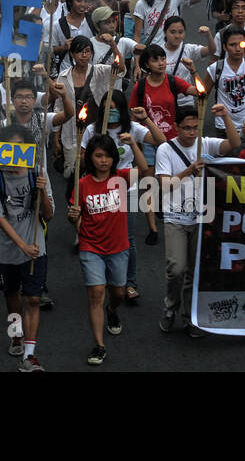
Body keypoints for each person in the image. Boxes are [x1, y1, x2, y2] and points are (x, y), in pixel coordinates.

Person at [67, 134, 152, 365]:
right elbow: (75, 216)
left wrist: (133, 144)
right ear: (90, 158)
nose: (103, 161)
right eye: (98, 156)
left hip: (118, 247)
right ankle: (99, 345)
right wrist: (72, 216)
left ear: (114, 158)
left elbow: (144, 170)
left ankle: (112, 311)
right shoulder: (81, 185)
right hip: (90, 246)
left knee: (118, 293)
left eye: (107, 156)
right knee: (96, 294)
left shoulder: (122, 177)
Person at [155, 104, 240, 335]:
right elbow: (163, 185)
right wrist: (188, 171)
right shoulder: (165, 150)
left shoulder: (206, 143)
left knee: (194, 271)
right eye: (186, 128)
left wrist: (226, 117)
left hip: (201, 219)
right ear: (176, 127)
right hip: (175, 217)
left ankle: (189, 316)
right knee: (176, 268)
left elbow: (234, 144)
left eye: (195, 128)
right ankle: (170, 306)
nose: (191, 133)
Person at [0, 124, 54, 372]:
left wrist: (43, 192)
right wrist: (21, 245)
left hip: (35, 248)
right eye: (9, 146)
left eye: (20, 146)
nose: (15, 151)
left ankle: (30, 355)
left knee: (33, 298)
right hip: (6, 251)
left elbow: (49, 213)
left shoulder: (38, 174)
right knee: (12, 295)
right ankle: (16, 333)